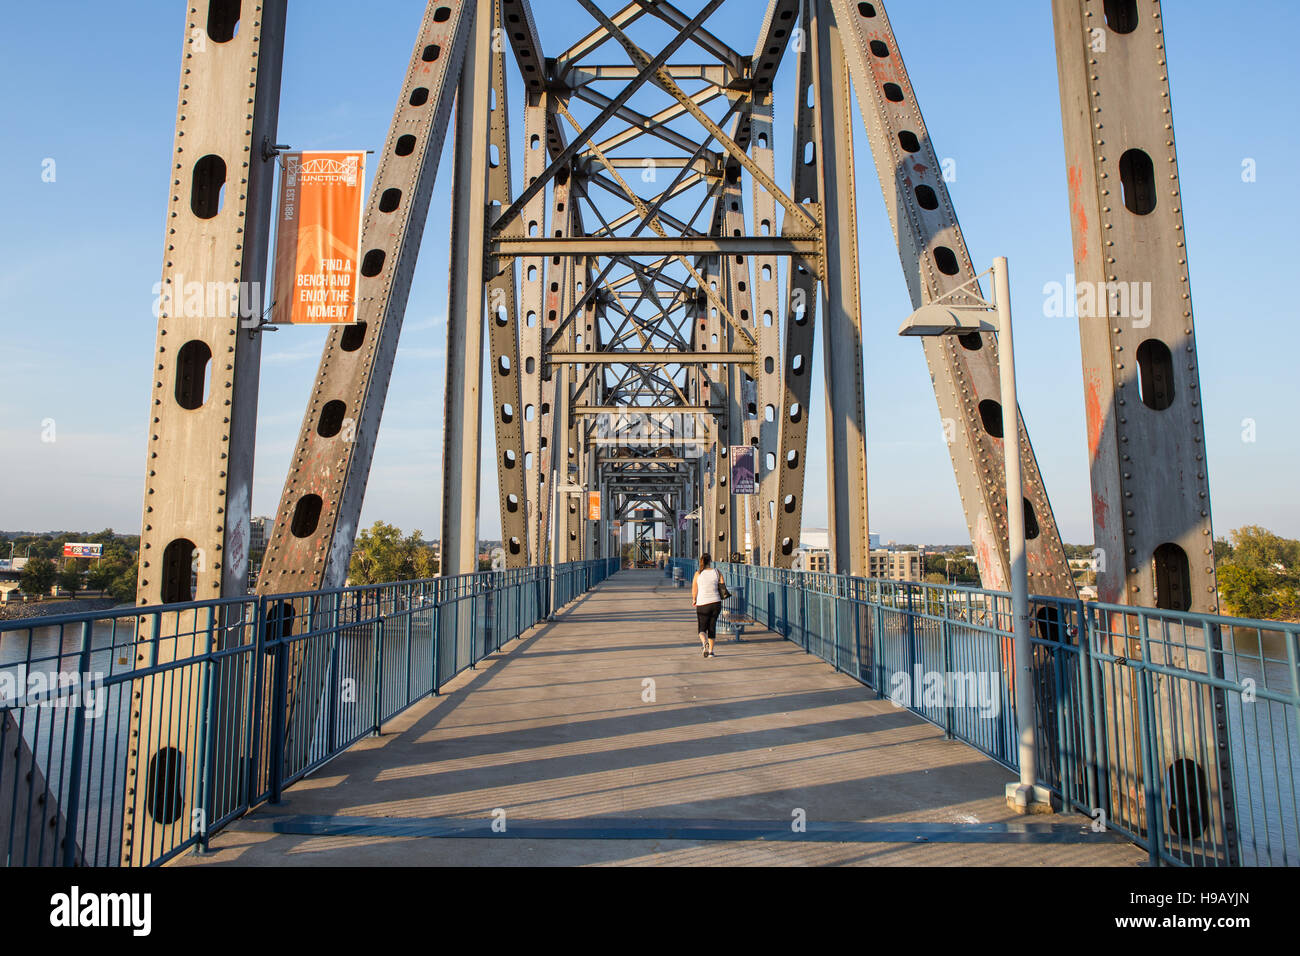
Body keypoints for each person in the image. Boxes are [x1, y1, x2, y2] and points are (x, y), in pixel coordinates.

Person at [691, 553, 725, 658]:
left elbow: (694, 589)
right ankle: (711, 652)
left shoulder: (698, 574)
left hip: (702, 603)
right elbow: (723, 586)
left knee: (702, 629)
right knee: (712, 627)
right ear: (710, 561)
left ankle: (704, 642)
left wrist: (694, 599)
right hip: (716, 603)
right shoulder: (717, 572)